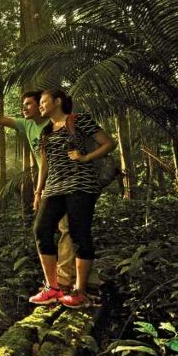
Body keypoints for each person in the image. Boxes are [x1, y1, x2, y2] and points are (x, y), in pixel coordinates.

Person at [0, 92, 76, 289]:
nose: (24, 108)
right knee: (47, 229)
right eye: (23, 104)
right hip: (48, 182)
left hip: (68, 181)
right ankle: (63, 281)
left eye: (29, 104)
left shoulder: (58, 123)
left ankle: (67, 281)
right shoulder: (27, 124)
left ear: (41, 104)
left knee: (68, 229)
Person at [29, 89, 116, 308]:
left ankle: (80, 291)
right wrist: (39, 192)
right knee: (41, 230)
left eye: (43, 102)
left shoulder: (78, 121)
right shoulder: (46, 131)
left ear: (58, 101)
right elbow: (44, 165)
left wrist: (86, 157)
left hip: (80, 185)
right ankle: (53, 287)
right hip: (54, 187)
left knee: (79, 234)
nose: (40, 106)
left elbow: (108, 143)